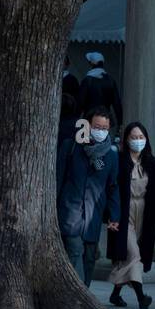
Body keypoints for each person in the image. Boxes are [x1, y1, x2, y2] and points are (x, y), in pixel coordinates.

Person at [57, 106, 120, 286]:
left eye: (104, 128)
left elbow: (113, 186)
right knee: (75, 250)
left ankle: (85, 293)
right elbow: (59, 176)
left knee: (90, 256)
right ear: (87, 125)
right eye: (97, 127)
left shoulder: (111, 155)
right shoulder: (71, 147)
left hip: (93, 215)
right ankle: (77, 295)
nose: (100, 132)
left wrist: (114, 215)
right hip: (69, 211)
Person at [107, 123, 155, 309]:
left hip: (145, 213)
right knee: (133, 254)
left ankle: (115, 295)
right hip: (124, 213)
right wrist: (109, 216)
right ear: (126, 139)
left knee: (132, 254)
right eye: (134, 137)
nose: (138, 141)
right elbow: (110, 190)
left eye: (141, 137)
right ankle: (142, 297)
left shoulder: (154, 166)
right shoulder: (118, 161)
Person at [76, 52, 123, 127]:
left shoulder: (87, 81)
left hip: (89, 119)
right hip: (105, 119)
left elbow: (80, 102)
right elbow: (117, 104)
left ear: (91, 64)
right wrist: (120, 123)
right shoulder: (110, 80)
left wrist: (75, 120)